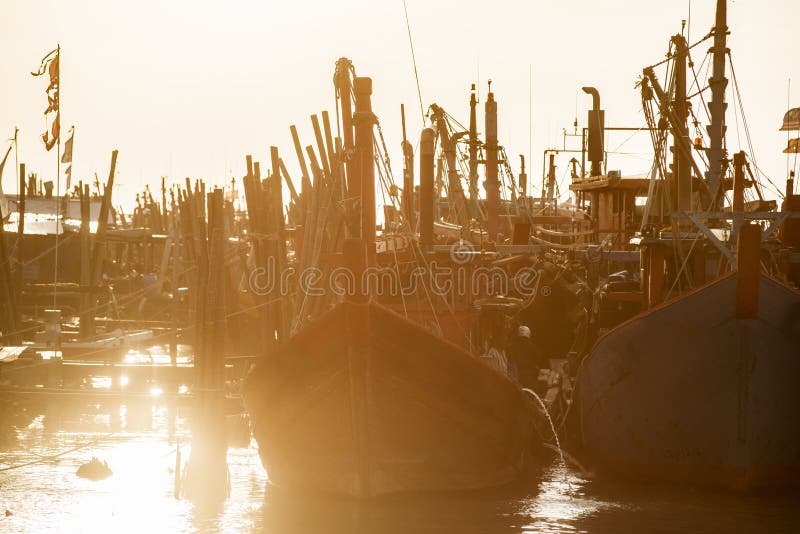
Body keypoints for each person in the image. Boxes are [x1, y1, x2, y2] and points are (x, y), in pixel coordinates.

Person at [508, 325, 545, 390]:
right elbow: (538, 360)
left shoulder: (512, 346)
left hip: (514, 376)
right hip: (529, 377)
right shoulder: (532, 346)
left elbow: (510, 360)